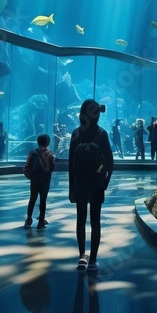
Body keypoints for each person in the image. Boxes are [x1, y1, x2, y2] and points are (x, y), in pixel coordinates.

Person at [69, 99, 114, 273]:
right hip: (96, 184)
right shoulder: (102, 133)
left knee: (81, 219)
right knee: (95, 220)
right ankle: (93, 261)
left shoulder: (75, 133)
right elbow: (109, 162)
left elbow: (71, 163)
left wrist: (72, 186)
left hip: (80, 183)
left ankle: (82, 256)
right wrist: (105, 182)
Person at [25, 133, 56, 229]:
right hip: (45, 180)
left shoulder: (32, 152)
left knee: (32, 199)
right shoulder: (49, 154)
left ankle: (29, 219)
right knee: (43, 200)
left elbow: (27, 165)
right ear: (48, 142)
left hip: (34, 179)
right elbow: (52, 168)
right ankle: (41, 220)